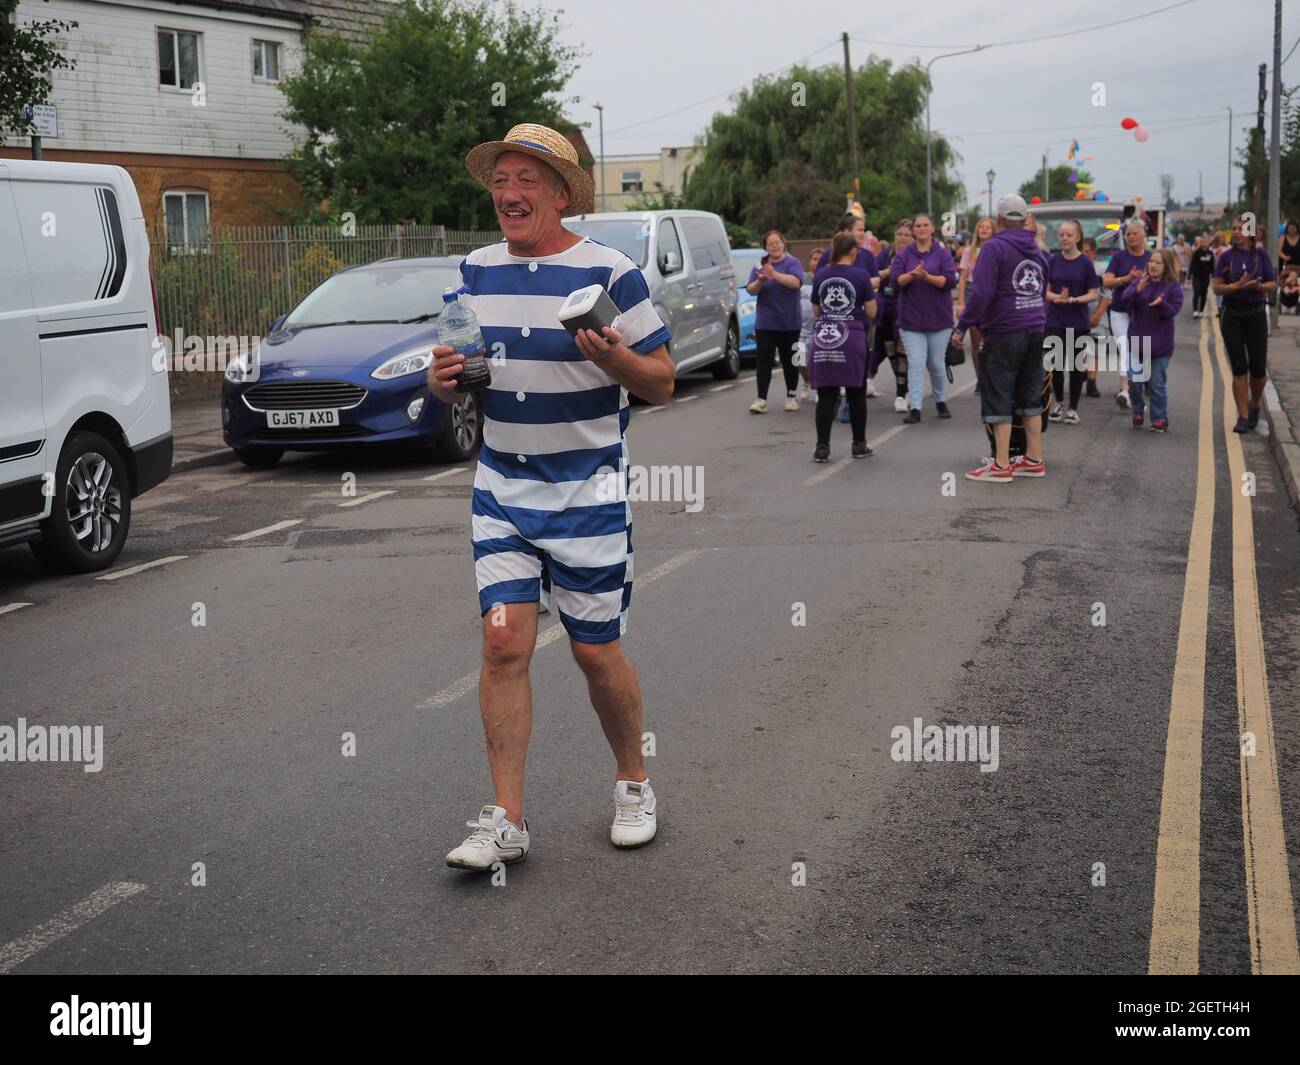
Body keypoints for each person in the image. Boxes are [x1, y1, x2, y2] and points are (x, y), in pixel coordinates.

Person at [430, 123, 674, 870]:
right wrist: (439, 380)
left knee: (595, 652)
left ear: (561, 193)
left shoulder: (612, 274)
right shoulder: (472, 270)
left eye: (527, 180)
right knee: (503, 643)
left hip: (588, 492)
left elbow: (661, 381)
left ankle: (634, 780)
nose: (509, 192)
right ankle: (507, 819)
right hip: (502, 486)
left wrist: (617, 356)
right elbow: (459, 368)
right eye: (501, 179)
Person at [952, 193, 1050, 483]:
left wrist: (963, 325)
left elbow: (981, 294)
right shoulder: (1036, 249)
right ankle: (1034, 458)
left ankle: (1001, 464)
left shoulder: (994, 248)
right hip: (1035, 327)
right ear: (1025, 219)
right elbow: (1043, 290)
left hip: (1005, 329)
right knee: (1030, 394)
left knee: (999, 395)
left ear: (998, 219)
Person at [808, 233, 877, 462]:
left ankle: (822, 448)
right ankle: (859, 444)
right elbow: (871, 312)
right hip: (852, 335)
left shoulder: (821, 275)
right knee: (856, 393)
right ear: (854, 251)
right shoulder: (861, 275)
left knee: (827, 393)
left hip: (826, 336)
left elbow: (816, 311)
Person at [1214, 214, 1277, 432]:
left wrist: (1257, 287)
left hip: (1256, 314)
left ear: (1251, 232)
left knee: (1258, 369)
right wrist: (1236, 287)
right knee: (1239, 367)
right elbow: (1216, 287)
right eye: (1234, 229)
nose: (1236, 233)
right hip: (1232, 314)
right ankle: (1242, 416)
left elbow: (1272, 284)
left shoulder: (1261, 256)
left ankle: (1255, 404)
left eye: (1240, 229)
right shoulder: (1225, 257)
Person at [893, 212, 958, 423]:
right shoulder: (904, 255)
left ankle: (940, 400)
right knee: (916, 362)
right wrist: (912, 274)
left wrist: (926, 276)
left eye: (925, 225)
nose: (921, 228)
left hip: (939, 319)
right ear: (913, 231)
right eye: (917, 226)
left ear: (932, 228)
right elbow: (896, 281)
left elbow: (949, 281)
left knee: (936, 363)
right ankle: (916, 408)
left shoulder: (942, 253)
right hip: (911, 319)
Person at [1113, 248, 1183, 432]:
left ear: (1166, 266)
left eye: (1158, 262)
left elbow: (1173, 310)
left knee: (1156, 384)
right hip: (1137, 341)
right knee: (1134, 381)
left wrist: (1162, 305)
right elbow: (1125, 299)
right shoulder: (1140, 281)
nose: (1153, 265)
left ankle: (1160, 418)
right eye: (1151, 261)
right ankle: (1137, 410)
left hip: (1161, 344)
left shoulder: (1173, 286)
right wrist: (1137, 290)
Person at [1044, 220, 1098, 424]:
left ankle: (1073, 408)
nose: (1064, 238)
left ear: (1077, 237)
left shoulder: (1085, 262)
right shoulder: (1053, 261)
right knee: (1055, 364)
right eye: (1061, 235)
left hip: (1078, 320)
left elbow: (1093, 293)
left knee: (1076, 366)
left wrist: (1075, 299)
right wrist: (1057, 297)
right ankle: (1058, 402)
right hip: (1056, 318)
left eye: (1069, 235)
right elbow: (1045, 290)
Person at [746, 230, 805, 413]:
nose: (774, 246)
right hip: (766, 321)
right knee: (764, 358)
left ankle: (791, 396)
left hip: (789, 320)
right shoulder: (759, 265)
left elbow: (796, 283)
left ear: (783, 243)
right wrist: (761, 281)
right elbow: (750, 289)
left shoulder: (793, 263)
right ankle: (761, 399)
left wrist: (774, 274)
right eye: (770, 243)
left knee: (790, 359)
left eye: (777, 242)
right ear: (765, 247)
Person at [1102, 218, 1151, 410]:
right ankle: (1126, 391)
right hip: (1120, 310)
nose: (1130, 236)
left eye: (1134, 233)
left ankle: (1136, 392)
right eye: (1128, 234)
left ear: (1143, 235)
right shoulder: (1118, 257)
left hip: (1144, 313)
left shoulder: (1151, 257)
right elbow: (1107, 281)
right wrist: (1126, 279)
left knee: (1141, 352)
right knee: (1126, 349)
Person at [874, 219, 913, 413]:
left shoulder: (913, 255)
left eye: (907, 234)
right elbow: (873, 276)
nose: (903, 238)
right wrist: (887, 272)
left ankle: (901, 394)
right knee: (891, 353)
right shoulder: (885, 254)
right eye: (900, 234)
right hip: (885, 309)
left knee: (903, 352)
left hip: (905, 307)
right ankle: (903, 387)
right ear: (894, 235)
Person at [958, 217, 995, 392]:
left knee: (990, 341)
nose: (984, 230)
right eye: (981, 227)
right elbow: (963, 278)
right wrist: (961, 302)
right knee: (975, 340)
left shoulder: (996, 249)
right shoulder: (968, 251)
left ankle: (990, 377)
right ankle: (980, 379)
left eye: (988, 228)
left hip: (989, 293)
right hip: (972, 291)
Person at [795, 247, 823, 401]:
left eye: (820, 259)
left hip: (819, 329)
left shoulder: (826, 279)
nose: (817, 262)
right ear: (809, 261)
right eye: (814, 259)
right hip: (801, 329)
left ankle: (817, 387)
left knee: (816, 360)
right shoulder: (803, 279)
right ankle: (807, 381)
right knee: (799, 359)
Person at [1081, 236, 1108, 397]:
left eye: (1087, 251)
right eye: (1081, 251)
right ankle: (1084, 370)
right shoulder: (1075, 267)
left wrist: (1098, 314)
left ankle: (1092, 382)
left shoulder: (1101, 270)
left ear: (1093, 252)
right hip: (1078, 314)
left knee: (1095, 349)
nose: (1084, 254)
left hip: (1096, 314)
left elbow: (1107, 294)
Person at [1188, 234, 1215, 318]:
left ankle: (1201, 310)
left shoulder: (1210, 253)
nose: (1204, 244)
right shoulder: (1197, 253)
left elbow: (1212, 265)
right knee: (1197, 292)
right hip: (1197, 276)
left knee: (1204, 293)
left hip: (1205, 276)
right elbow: (1192, 264)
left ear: (1208, 243)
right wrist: (1189, 275)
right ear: (1201, 243)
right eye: (1202, 242)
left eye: (1206, 242)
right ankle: (1195, 310)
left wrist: (1213, 275)